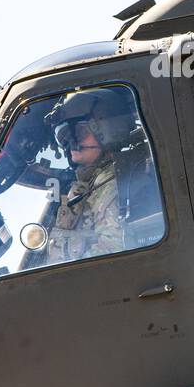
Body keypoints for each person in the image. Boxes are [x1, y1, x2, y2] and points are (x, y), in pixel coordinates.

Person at [39, 88, 135, 265]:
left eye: (79, 133)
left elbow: (111, 250)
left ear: (107, 130)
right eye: (64, 137)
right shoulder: (88, 185)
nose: (71, 143)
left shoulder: (111, 183)